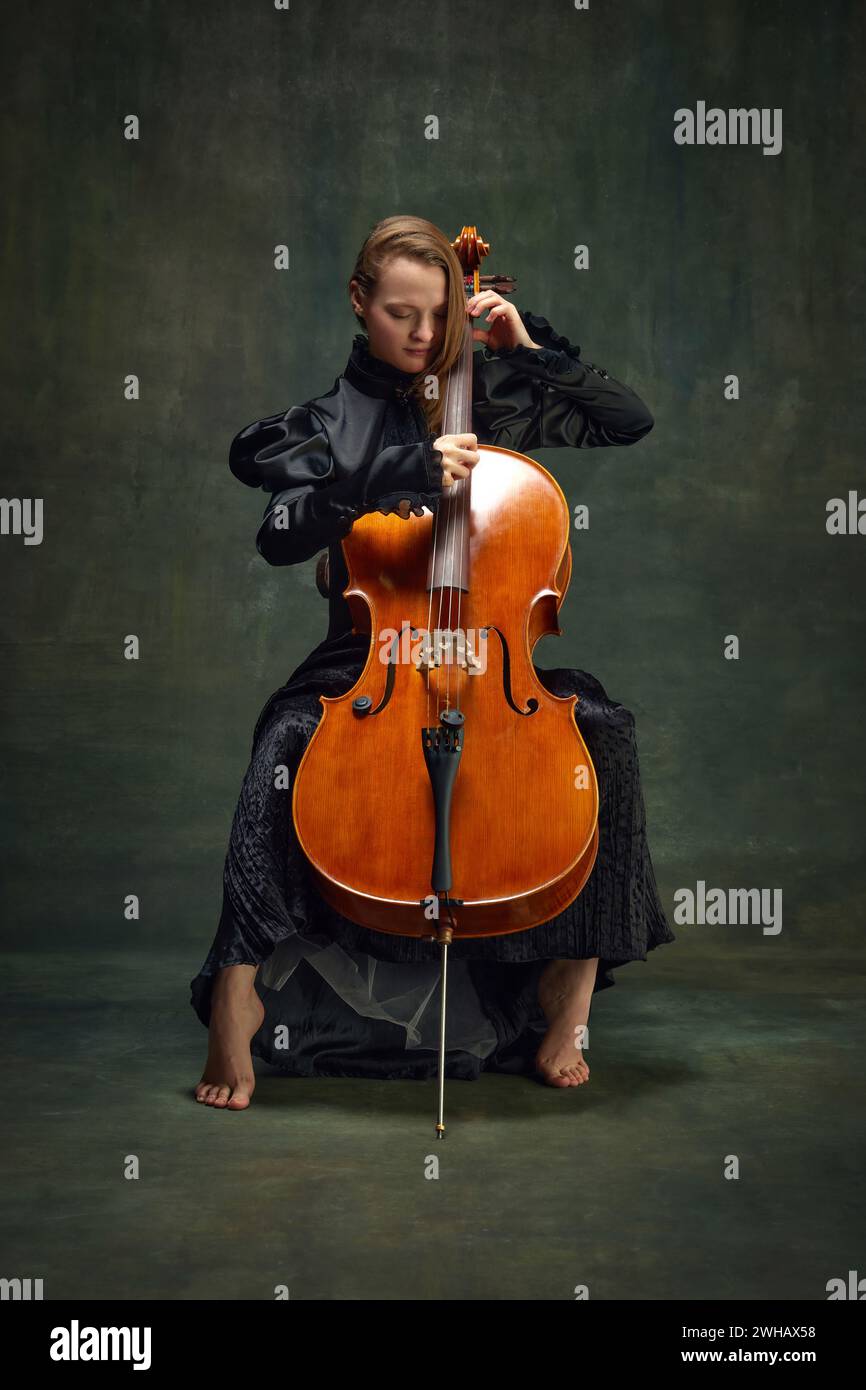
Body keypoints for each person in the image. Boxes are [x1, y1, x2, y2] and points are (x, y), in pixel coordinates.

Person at [191, 215, 674, 1109]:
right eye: (402, 314)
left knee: (602, 733)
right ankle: (236, 990)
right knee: (285, 746)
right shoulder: (333, 423)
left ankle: (569, 992)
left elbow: (628, 420)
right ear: (360, 303)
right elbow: (277, 533)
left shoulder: (494, 398)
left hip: (497, 667)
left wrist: (528, 348)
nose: (422, 334)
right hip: (371, 661)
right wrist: (384, 475)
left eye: (438, 314)